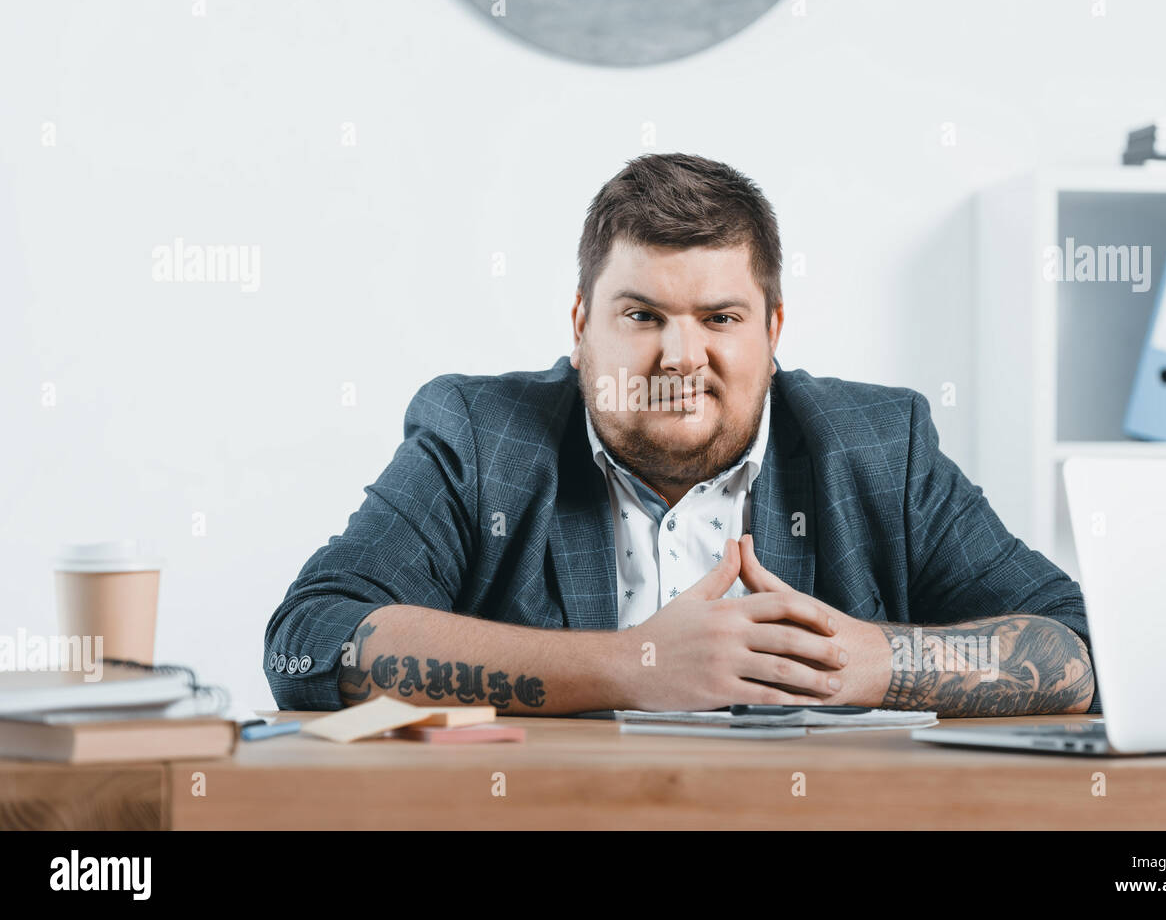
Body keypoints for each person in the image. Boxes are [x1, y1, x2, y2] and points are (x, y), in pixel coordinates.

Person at [263, 152, 1097, 717]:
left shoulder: (881, 445)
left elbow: (1076, 646)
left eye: (720, 317)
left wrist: (876, 660)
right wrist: (634, 664)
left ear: (772, 331)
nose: (680, 353)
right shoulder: (480, 438)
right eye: (642, 314)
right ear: (582, 325)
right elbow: (308, 640)